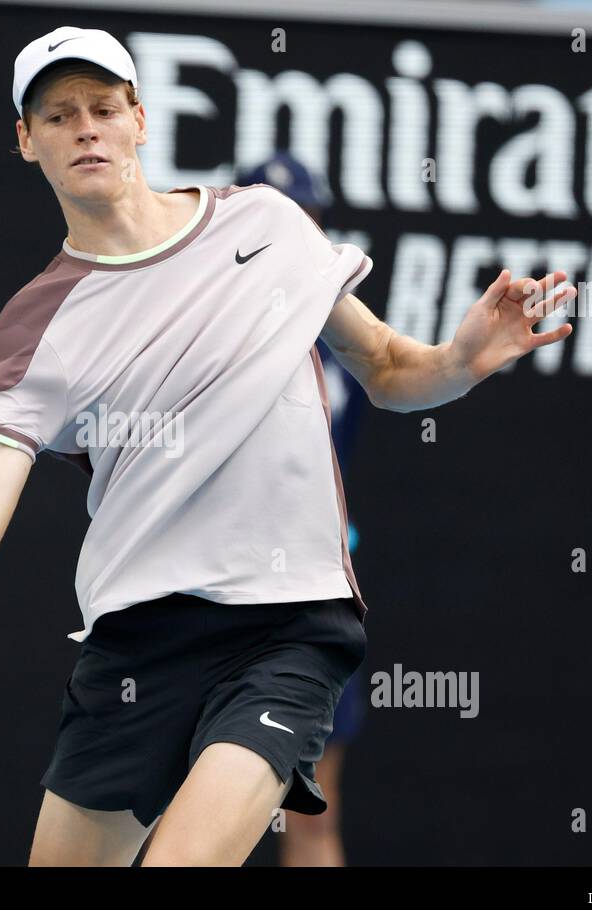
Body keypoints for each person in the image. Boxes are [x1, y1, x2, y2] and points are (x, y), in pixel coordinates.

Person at [0, 25, 577, 867]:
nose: (87, 130)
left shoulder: (266, 224)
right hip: (135, 652)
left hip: (289, 632)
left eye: (105, 108)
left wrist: (462, 358)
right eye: (59, 116)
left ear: (140, 119)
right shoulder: (30, 335)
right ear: (26, 141)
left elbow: (385, 365)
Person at [235, 152, 369, 867]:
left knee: (309, 815)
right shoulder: (194, 324)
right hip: (207, 594)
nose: (289, 236)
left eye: (305, 221)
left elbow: (414, 372)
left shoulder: (346, 335)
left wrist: (466, 356)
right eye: (271, 218)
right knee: (175, 820)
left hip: (314, 597)